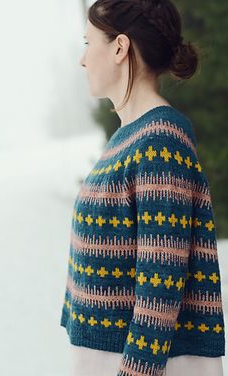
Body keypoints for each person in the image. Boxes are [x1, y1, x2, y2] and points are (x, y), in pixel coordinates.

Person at [60, 1, 226, 375]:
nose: (82, 60)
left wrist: (136, 370)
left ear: (119, 48)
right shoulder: (128, 138)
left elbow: (162, 271)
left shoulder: (160, 140)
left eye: (88, 43)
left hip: (146, 363)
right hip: (113, 355)